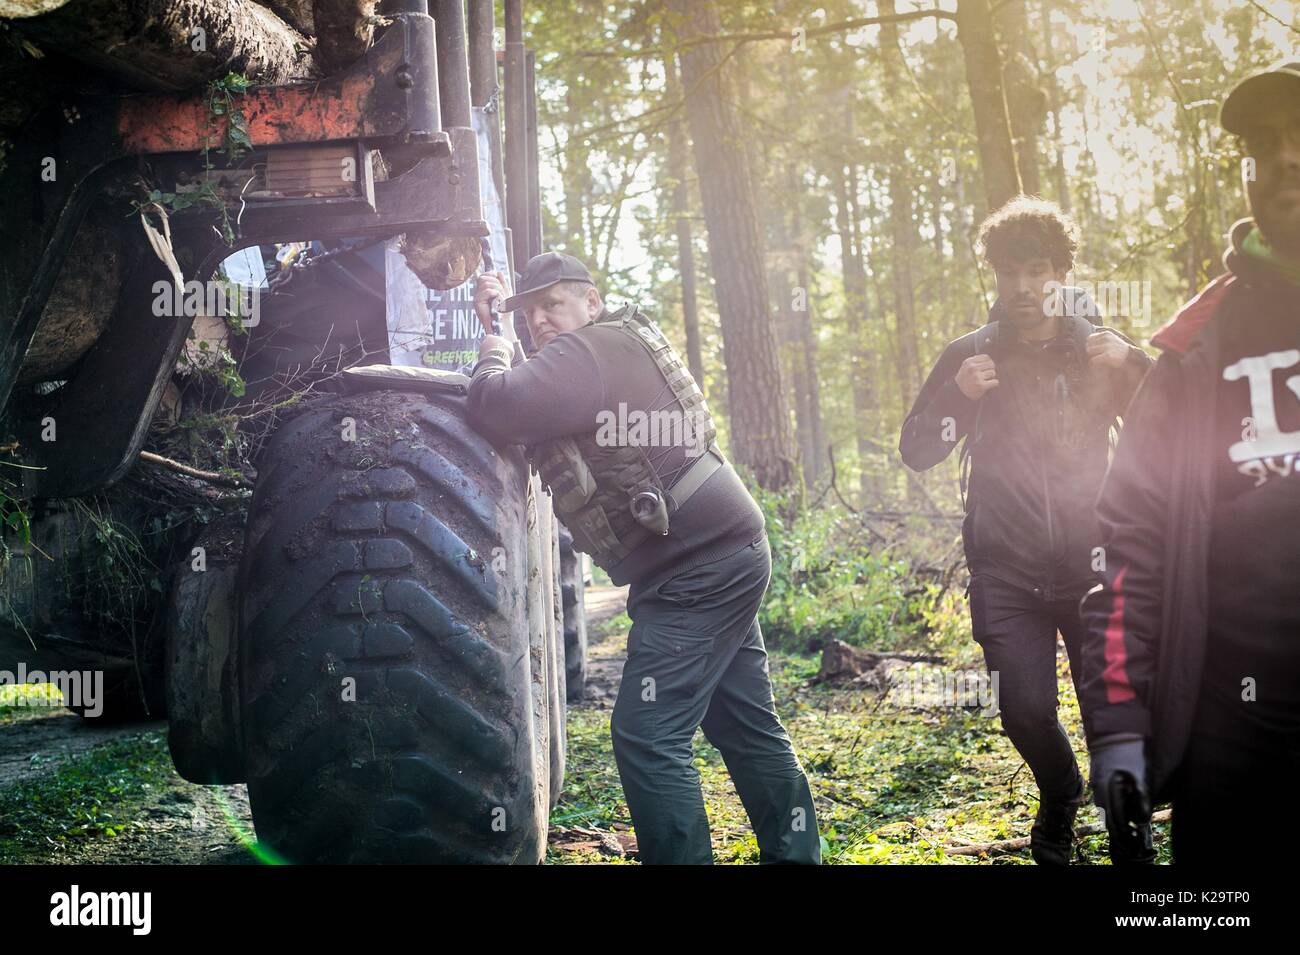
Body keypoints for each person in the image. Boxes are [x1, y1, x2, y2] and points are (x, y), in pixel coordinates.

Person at [465, 251, 820, 864]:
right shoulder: (601, 351)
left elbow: (498, 406)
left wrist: (494, 342)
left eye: (554, 304)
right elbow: (542, 398)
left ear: (591, 302)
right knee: (744, 723)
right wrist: (500, 325)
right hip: (722, 553)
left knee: (648, 735)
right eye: (529, 313)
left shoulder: (589, 351)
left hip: (698, 568)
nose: (541, 321)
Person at [1080, 62, 1300, 865]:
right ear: (1244, 175)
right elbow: (1126, 544)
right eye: (1264, 145)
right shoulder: (1193, 347)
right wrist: (1119, 728)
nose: (1288, 159)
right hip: (1230, 733)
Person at [899, 197, 1154, 865]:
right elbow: (918, 448)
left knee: (1112, 717)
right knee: (1024, 710)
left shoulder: (1100, 348)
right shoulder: (970, 355)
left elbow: (1168, 433)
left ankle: (1131, 844)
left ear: (1064, 272)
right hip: (1006, 567)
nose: (1022, 287)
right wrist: (959, 395)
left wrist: (1135, 368)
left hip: (1094, 564)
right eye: (1008, 272)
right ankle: (1061, 791)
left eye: (1037, 270)